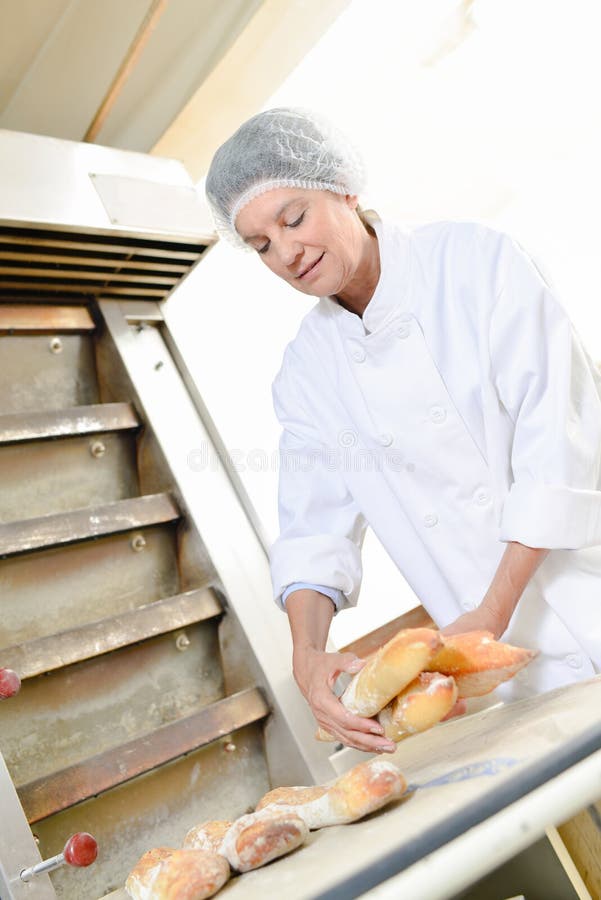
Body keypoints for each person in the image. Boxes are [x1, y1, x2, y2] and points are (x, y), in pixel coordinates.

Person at [205, 107, 601, 755]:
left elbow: (556, 450)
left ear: (343, 188)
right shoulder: (307, 371)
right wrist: (307, 654)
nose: (286, 252)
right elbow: (312, 530)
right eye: (261, 246)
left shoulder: (476, 263)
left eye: (293, 218)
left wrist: (488, 617)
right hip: (517, 690)